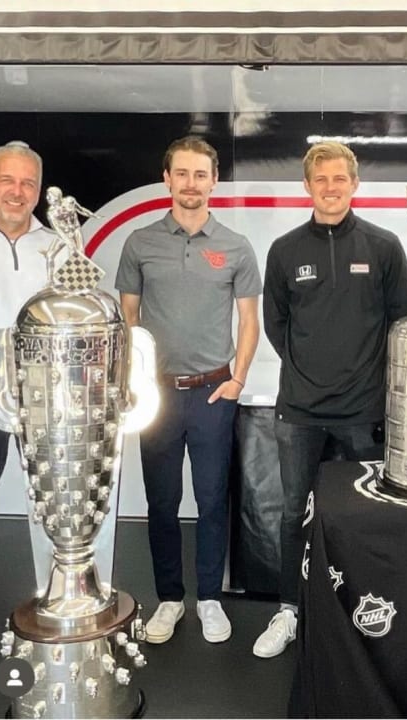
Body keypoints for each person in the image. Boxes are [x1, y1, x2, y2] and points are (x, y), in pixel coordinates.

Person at [257, 141, 407, 657]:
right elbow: (276, 325)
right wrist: (308, 374)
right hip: (299, 413)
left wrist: (367, 383)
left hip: (364, 412)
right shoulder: (284, 250)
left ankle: (370, 609)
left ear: (354, 184)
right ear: (307, 187)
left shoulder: (384, 245)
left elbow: (401, 323)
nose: (330, 188)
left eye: (339, 179)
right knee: (291, 516)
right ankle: (289, 610)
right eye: (320, 180)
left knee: (367, 513)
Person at [115, 136, 261, 644]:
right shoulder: (140, 243)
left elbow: (249, 322)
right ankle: (170, 599)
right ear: (167, 179)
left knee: (212, 499)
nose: (191, 183)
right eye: (182, 173)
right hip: (156, 394)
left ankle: (211, 601)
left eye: (201, 174)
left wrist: (238, 378)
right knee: (162, 500)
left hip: (212, 393)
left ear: (214, 181)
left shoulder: (235, 247)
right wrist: (133, 382)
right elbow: (127, 319)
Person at [0, 141, 53, 562]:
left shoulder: (58, 249)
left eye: (27, 183)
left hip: (44, 407)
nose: (17, 192)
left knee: (58, 517)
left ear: (38, 193)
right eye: (7, 180)